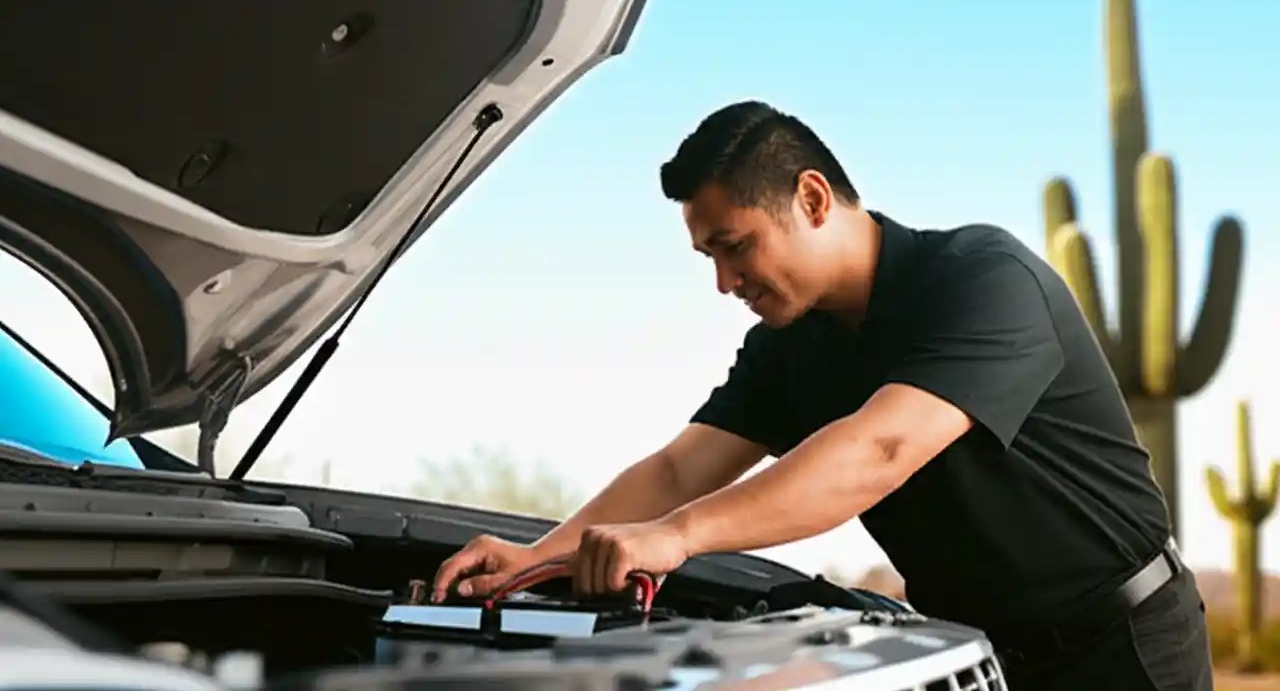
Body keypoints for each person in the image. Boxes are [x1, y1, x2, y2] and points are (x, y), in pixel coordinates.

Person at [431, 100, 1214, 689]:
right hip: (976, 658)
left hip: (1128, 648)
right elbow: (678, 469)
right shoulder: (788, 345)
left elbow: (878, 450)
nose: (723, 282)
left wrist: (675, 537)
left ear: (811, 199)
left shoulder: (984, 279)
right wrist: (541, 557)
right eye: (708, 256)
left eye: (734, 248)